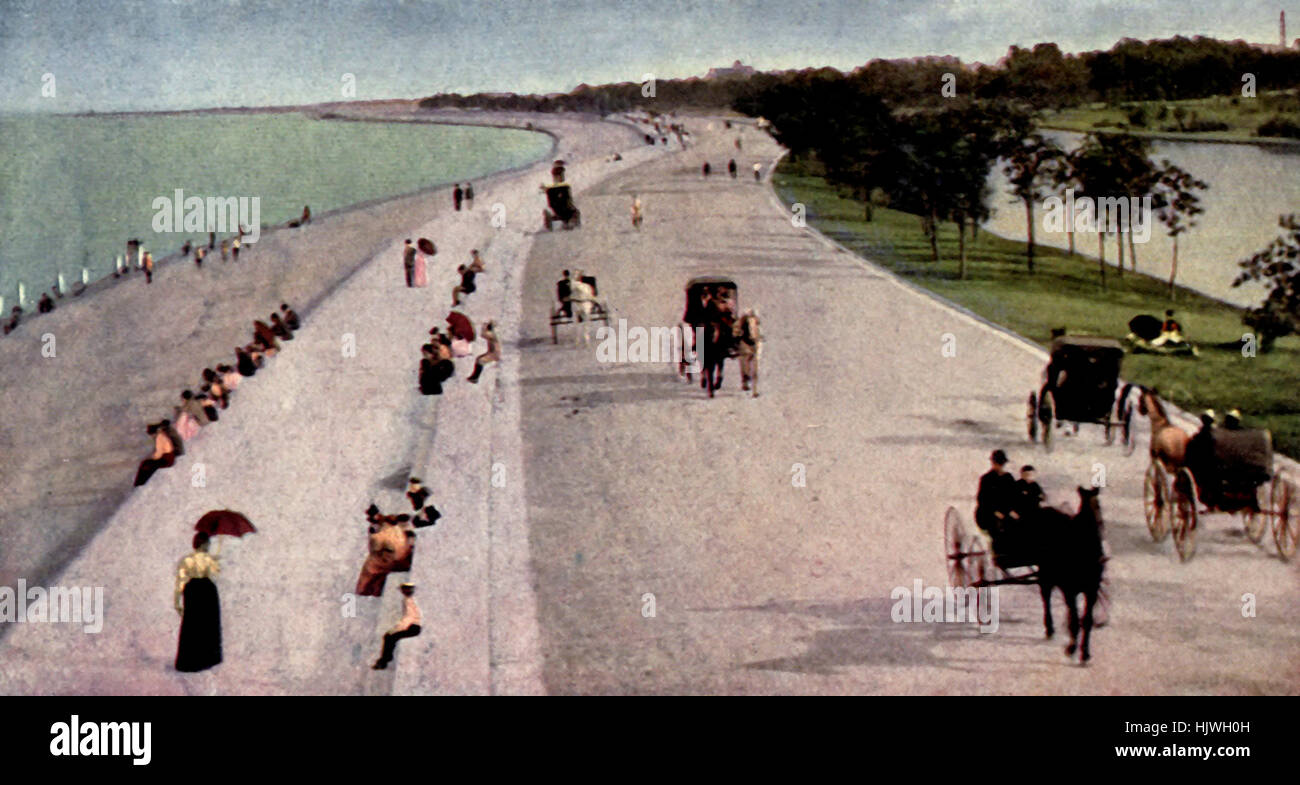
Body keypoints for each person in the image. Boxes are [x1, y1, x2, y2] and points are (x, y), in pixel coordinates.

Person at [175, 532, 222, 672]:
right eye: (208, 543)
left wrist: (177, 601)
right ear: (204, 544)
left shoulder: (186, 560)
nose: (209, 546)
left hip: (192, 591)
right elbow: (216, 573)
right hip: (207, 591)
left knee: (192, 624)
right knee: (208, 623)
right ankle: (207, 657)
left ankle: (189, 659)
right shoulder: (208, 559)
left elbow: (180, 581)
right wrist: (216, 559)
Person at [356, 513, 409, 596]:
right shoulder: (398, 531)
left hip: (387, 559)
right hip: (396, 559)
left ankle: (363, 591)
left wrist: (372, 535)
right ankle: (374, 591)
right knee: (378, 573)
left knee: (369, 570)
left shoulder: (385, 530)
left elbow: (376, 546)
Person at [372, 583, 421, 670]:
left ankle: (384, 660)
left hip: (413, 627)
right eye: (403, 590)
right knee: (389, 636)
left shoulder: (410, 600)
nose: (404, 591)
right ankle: (385, 659)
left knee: (390, 637)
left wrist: (398, 628)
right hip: (411, 625)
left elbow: (410, 617)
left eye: (406, 590)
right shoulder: (408, 599)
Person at [975, 449, 1017, 539]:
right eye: (996, 463)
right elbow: (982, 500)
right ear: (993, 463)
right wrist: (995, 511)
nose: (999, 466)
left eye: (1001, 463)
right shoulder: (986, 479)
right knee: (997, 527)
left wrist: (1012, 510)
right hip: (987, 514)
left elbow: (1014, 496)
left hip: (1006, 512)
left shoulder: (1008, 478)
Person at [133, 422, 176, 486]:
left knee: (146, 464)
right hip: (169, 457)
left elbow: (158, 454)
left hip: (167, 459)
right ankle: (141, 482)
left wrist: (151, 458)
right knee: (148, 463)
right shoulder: (162, 434)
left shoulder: (159, 437)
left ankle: (140, 483)